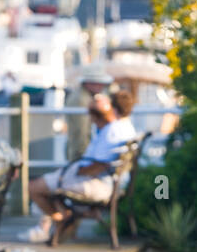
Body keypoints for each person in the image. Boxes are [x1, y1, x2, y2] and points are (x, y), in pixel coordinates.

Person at [21, 88, 136, 243]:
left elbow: (99, 165)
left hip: (98, 184)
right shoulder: (126, 128)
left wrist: (77, 172)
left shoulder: (112, 131)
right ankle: (59, 221)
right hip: (112, 182)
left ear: (113, 109)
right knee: (50, 184)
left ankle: (60, 220)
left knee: (33, 187)